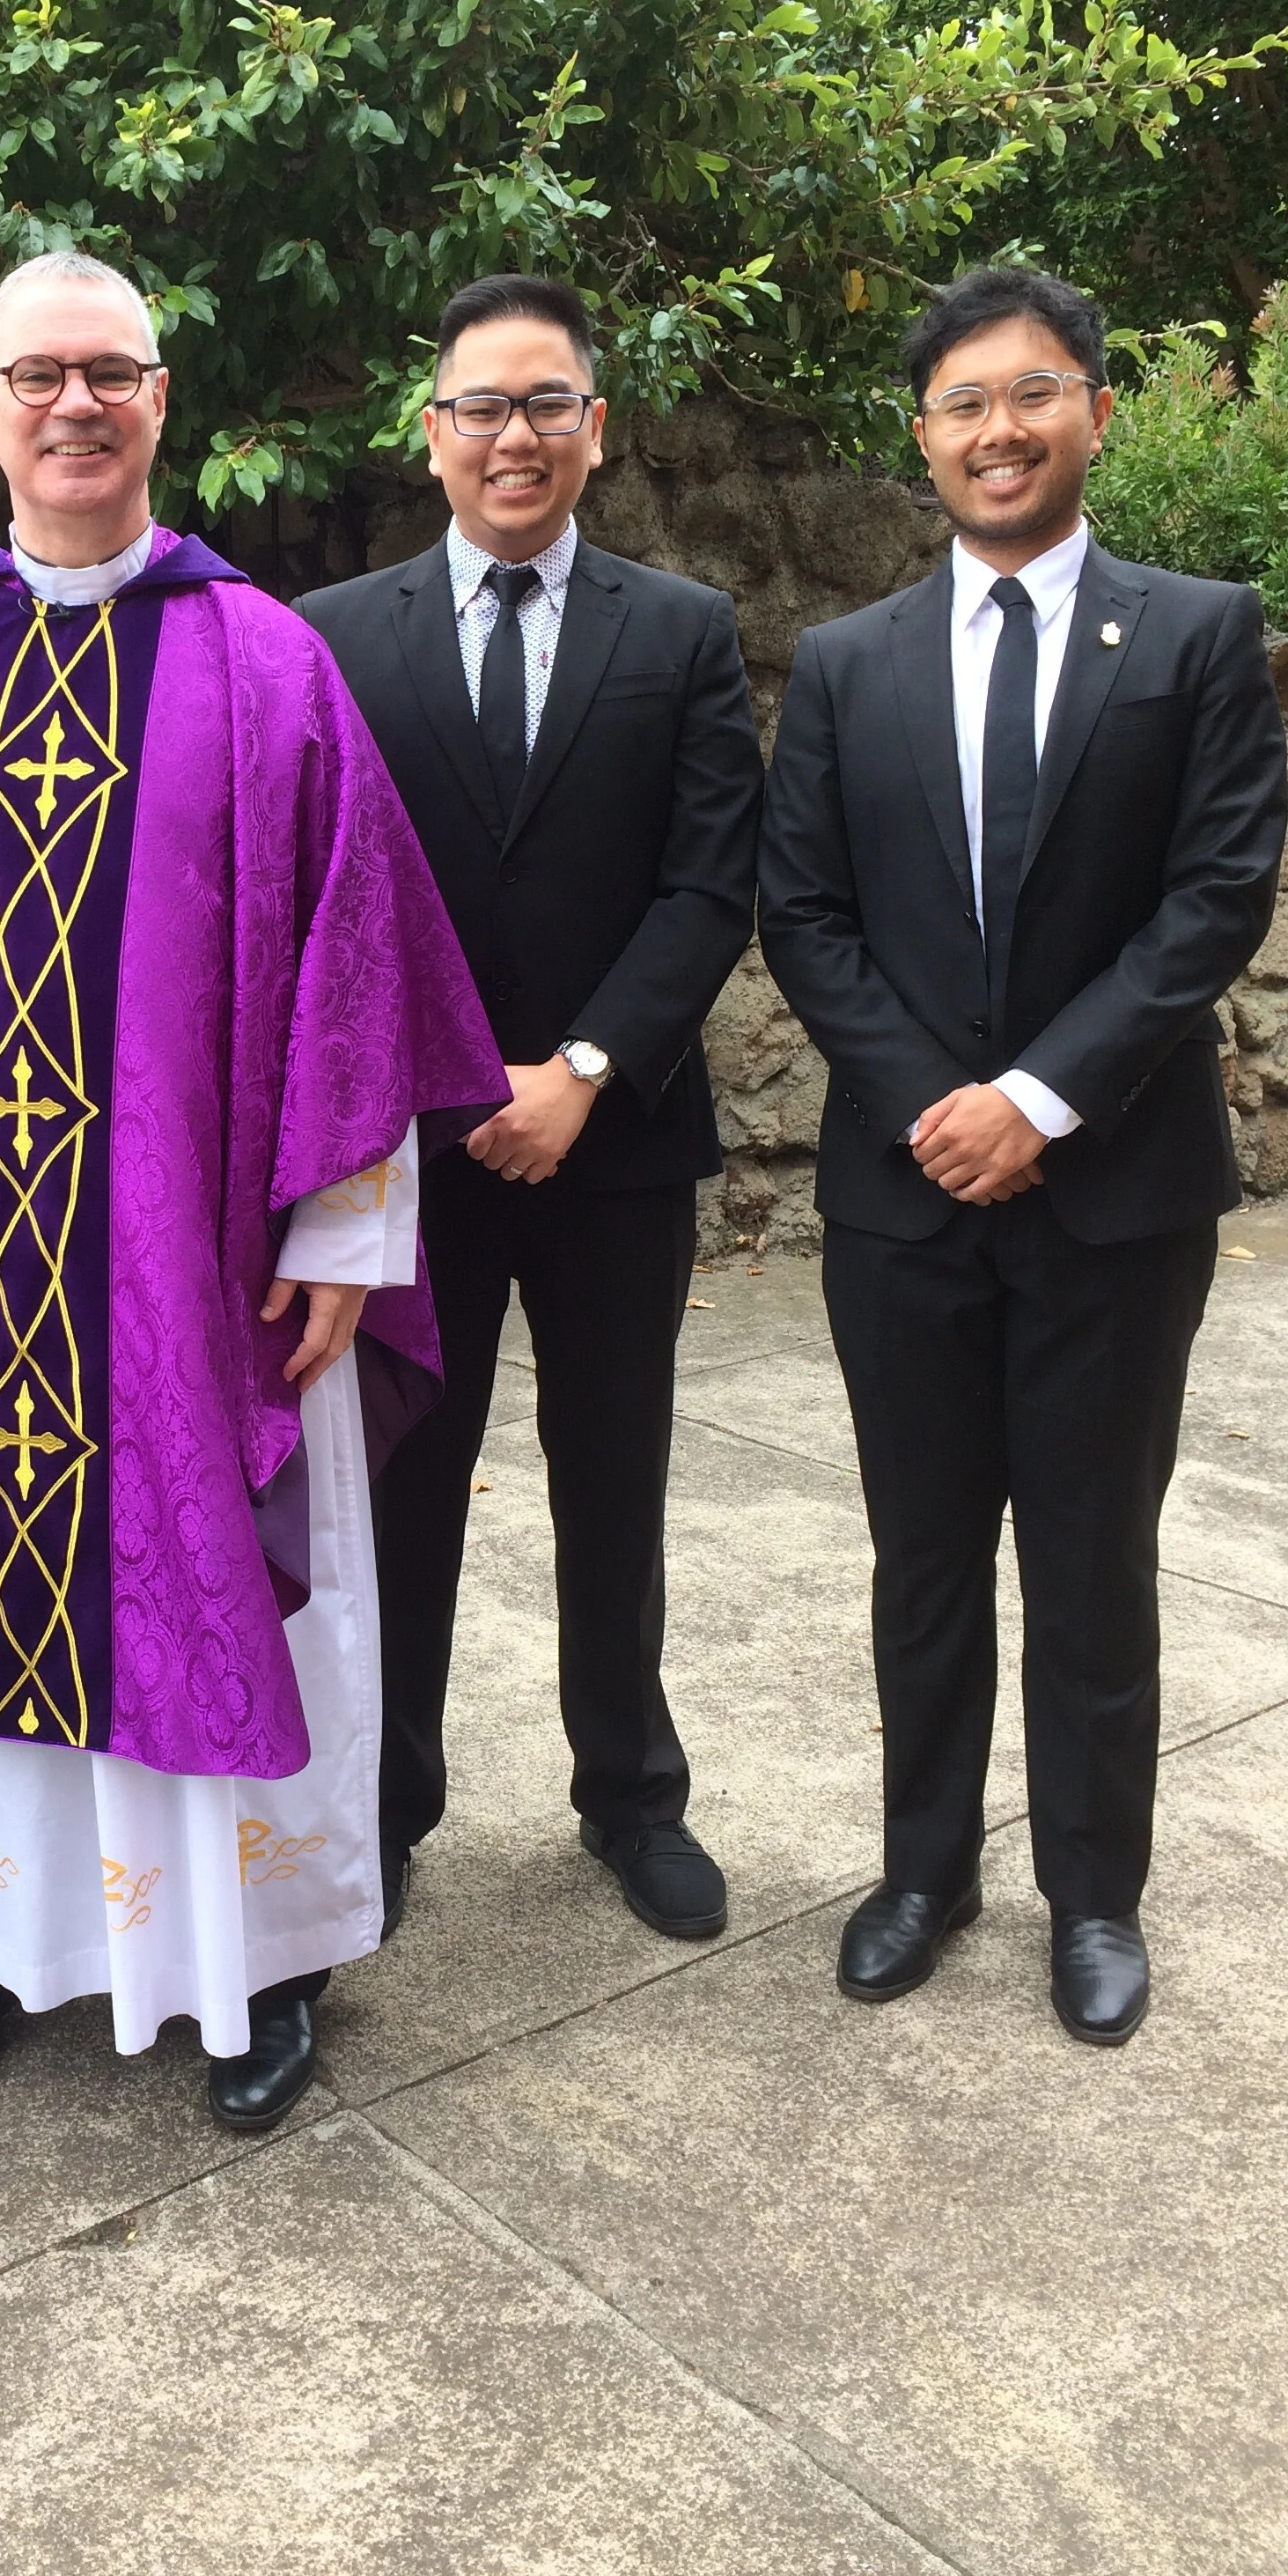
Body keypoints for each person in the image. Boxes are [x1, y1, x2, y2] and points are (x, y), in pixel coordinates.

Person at [0, 250, 504, 2129]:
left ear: (157, 401)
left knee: (233, 1599)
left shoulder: (270, 666)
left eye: (108, 372)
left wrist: (352, 1239)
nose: (73, 406)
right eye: (34, 374)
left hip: (208, 1281)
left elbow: (356, 969)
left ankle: (261, 1971)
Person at [760, 265, 1288, 2044]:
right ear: (924, 439)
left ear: (1095, 412)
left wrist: (1041, 1102)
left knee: (1090, 1552)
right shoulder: (846, 665)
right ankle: (923, 1869)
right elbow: (808, 915)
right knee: (921, 1550)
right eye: (965, 404)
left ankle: (1095, 1894)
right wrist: (944, 1110)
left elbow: (1214, 897)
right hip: (900, 1201)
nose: (1000, 429)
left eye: (1034, 393)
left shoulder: (1200, 633)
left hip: (1121, 1192)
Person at [298, 276, 763, 1942]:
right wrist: (439, 1082)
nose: (515, 435)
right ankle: (389, 1802)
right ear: (431, 438)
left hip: (615, 1141)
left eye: (546, 404)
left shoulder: (683, 630)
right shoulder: (338, 639)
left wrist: (580, 1070)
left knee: (613, 1471)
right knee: (405, 1486)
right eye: (482, 407)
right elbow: (323, 900)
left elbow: (716, 884)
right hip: (410, 1155)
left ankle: (630, 1796)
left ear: (595, 426)